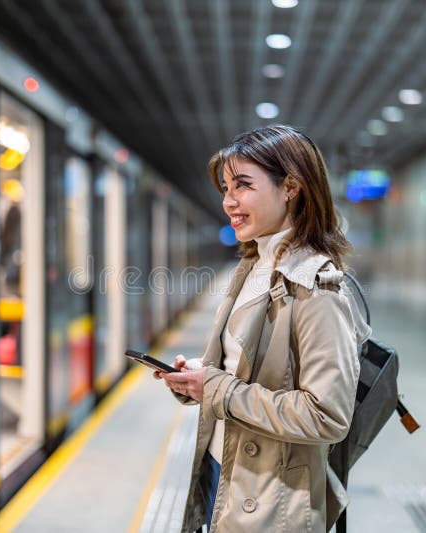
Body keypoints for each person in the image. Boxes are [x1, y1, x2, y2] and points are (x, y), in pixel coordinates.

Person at [155, 125, 371, 532]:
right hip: (228, 472)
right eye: (225, 188)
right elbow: (245, 373)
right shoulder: (253, 267)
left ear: (291, 187)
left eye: (242, 186)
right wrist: (199, 379)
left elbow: (328, 415)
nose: (228, 201)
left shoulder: (316, 287)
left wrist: (216, 389)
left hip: (273, 502)